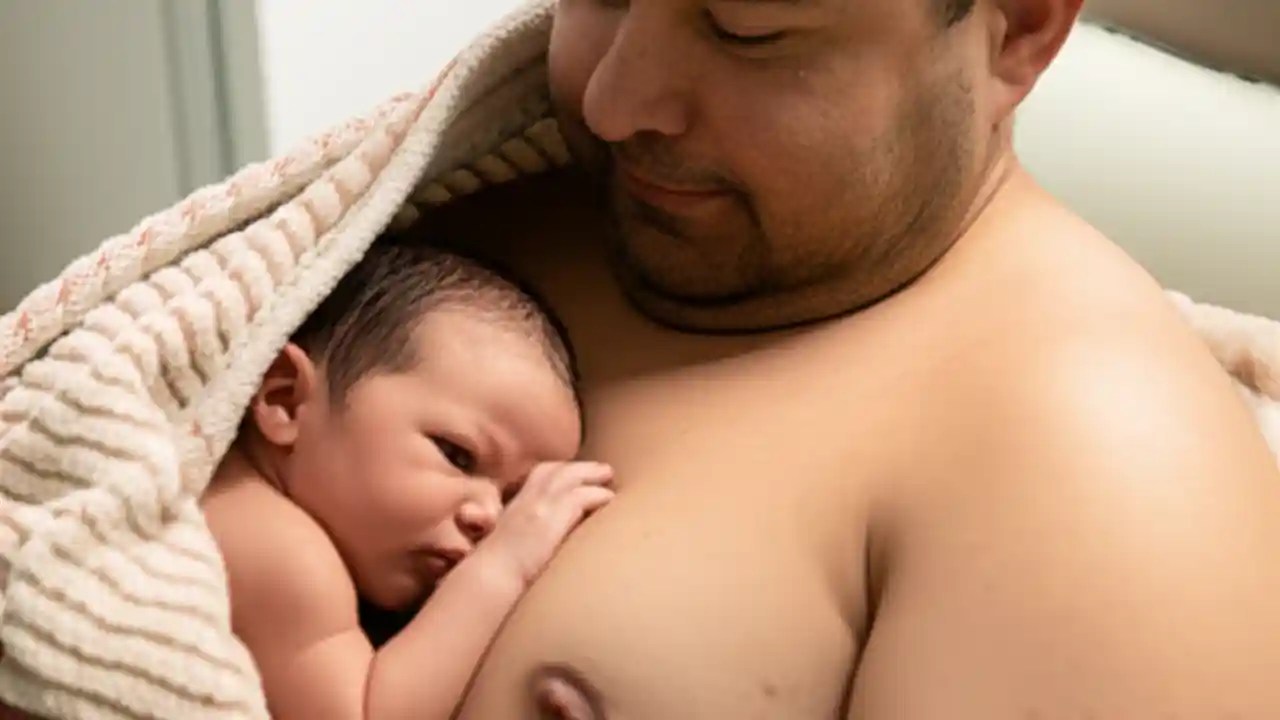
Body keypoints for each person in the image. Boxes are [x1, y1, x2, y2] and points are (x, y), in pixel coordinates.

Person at [410, 0, 1280, 717]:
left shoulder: (1098, 464)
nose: (614, 102)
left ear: (1018, 27)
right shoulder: (488, 206)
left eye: (744, 32)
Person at [199, 238, 615, 719]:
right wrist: (503, 567)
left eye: (514, 499)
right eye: (458, 455)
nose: (490, 518)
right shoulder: (280, 550)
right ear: (287, 400)